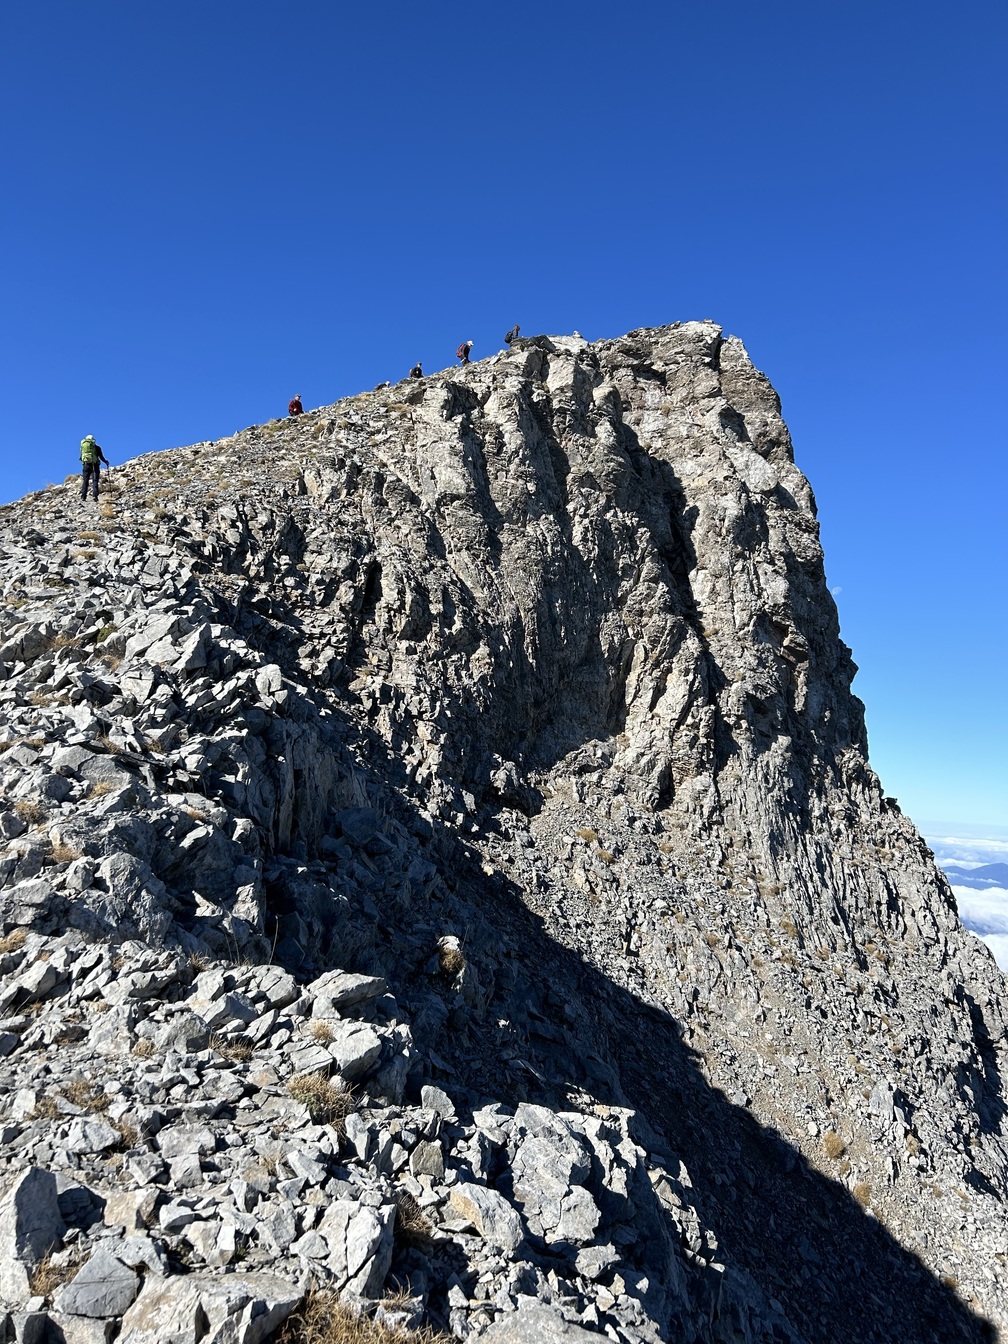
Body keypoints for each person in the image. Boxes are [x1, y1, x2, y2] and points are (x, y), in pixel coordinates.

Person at [79, 435, 110, 502]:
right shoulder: (97, 448)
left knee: (85, 481)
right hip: (95, 466)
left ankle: (83, 497)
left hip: (86, 465)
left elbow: (81, 456)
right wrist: (106, 462)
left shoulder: (83, 446)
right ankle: (95, 496)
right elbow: (101, 457)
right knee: (95, 480)